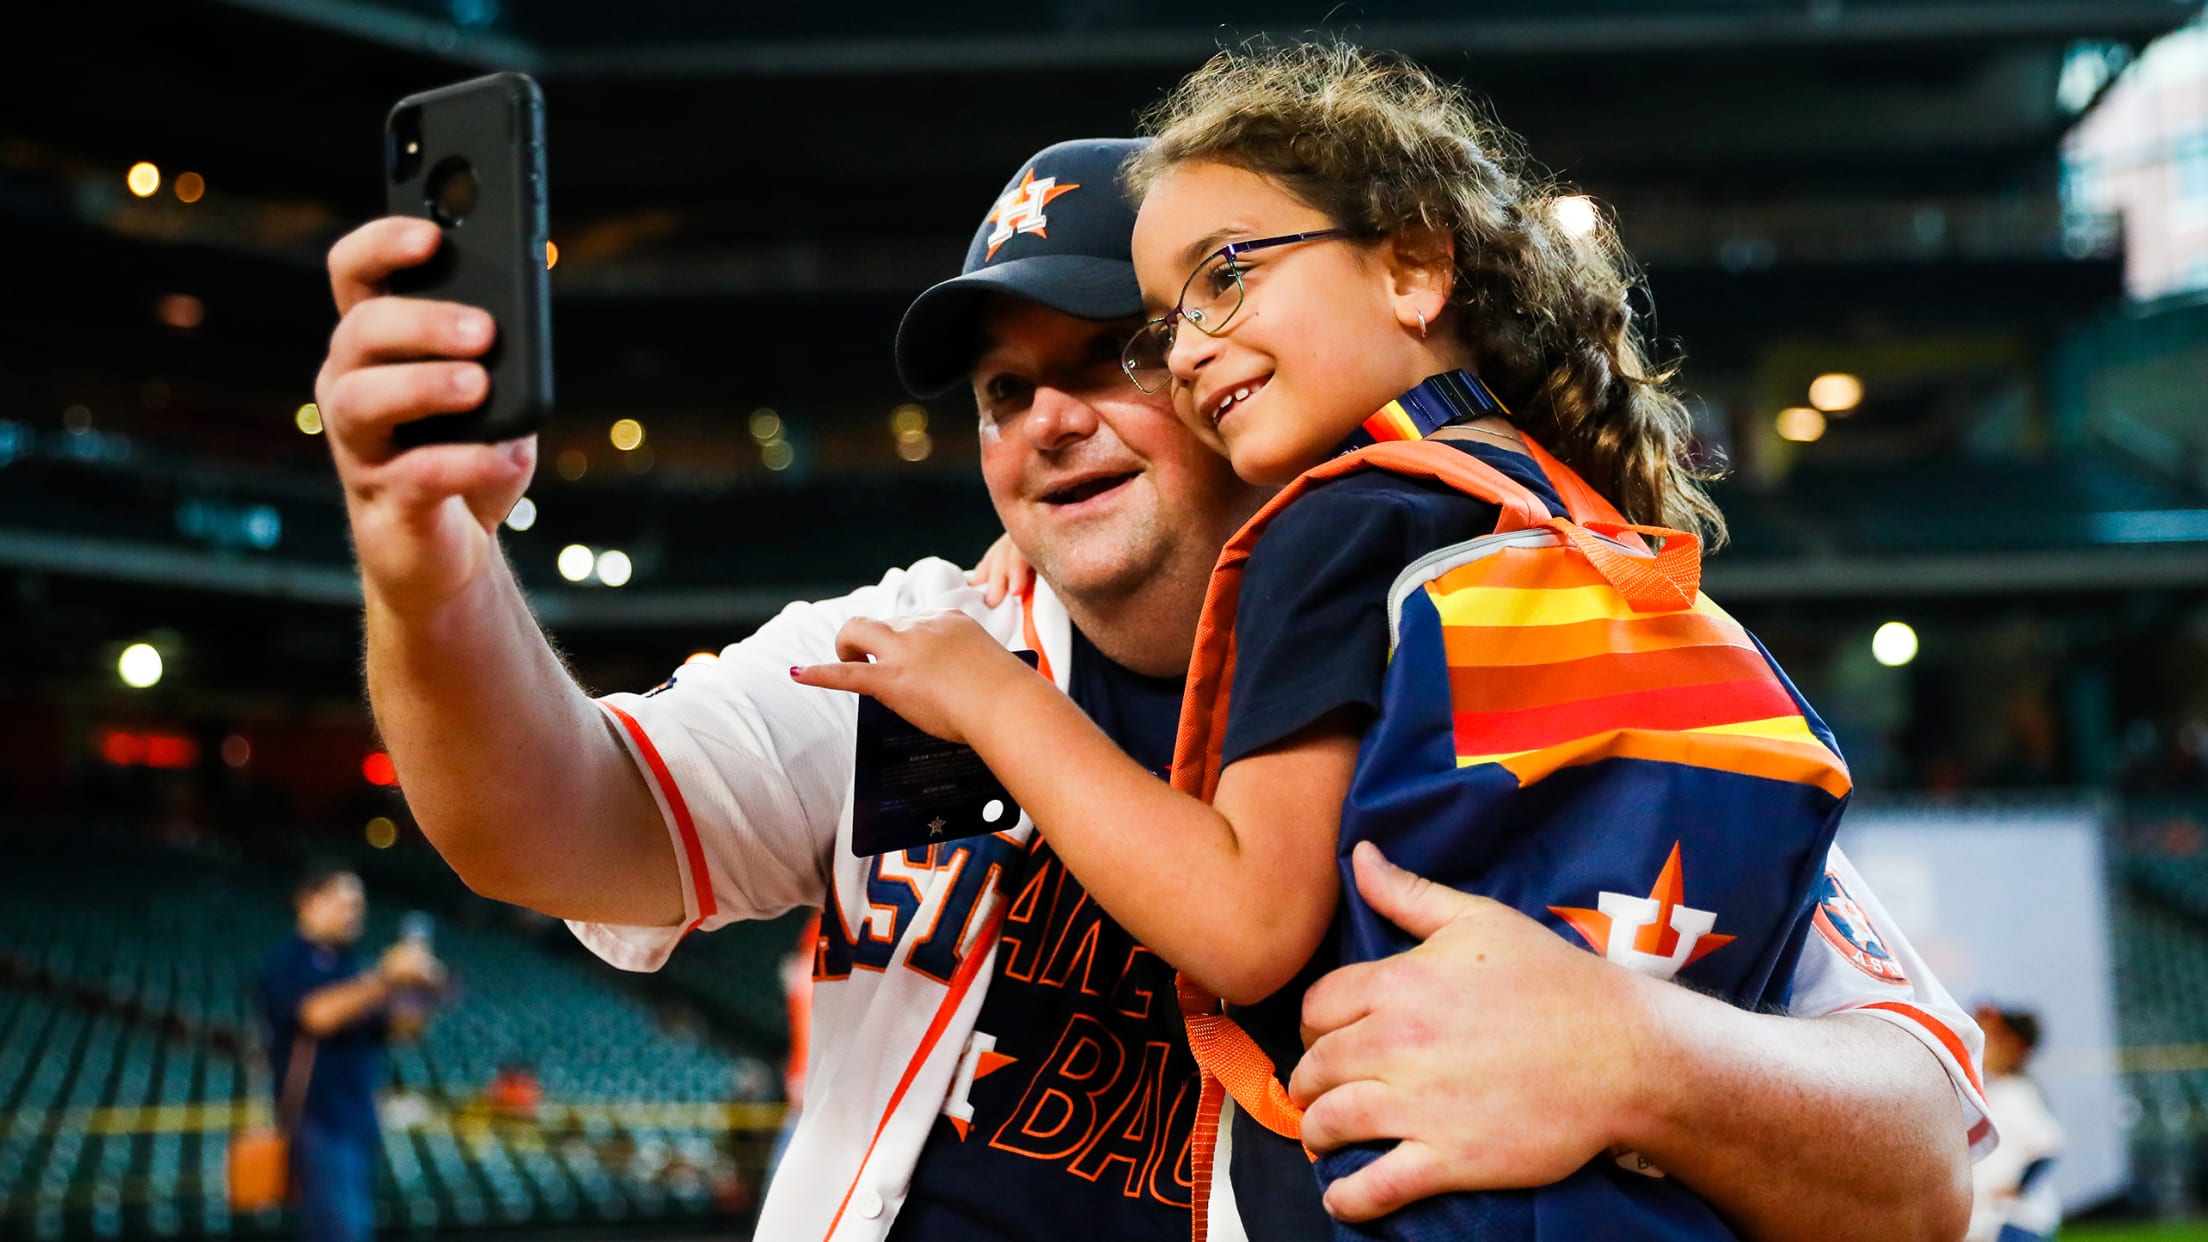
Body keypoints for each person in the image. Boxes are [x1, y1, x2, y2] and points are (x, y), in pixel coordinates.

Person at [312, 133, 1982, 1241]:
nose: (1043, 420)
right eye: (997, 391)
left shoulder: (1504, 637)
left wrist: (1645, 1054)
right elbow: (545, 820)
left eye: (1109, 352)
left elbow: (1918, 1159)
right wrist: (429, 563)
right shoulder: (911, 652)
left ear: (1228, 367)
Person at [789, 44, 1959, 1237]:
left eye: (1224, 278)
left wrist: (990, 694)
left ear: (1414, 267)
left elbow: (1246, 926)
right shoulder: (1582, 535)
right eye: (1164, 324)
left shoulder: (1335, 529)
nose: (1186, 349)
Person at [257, 866, 445, 1242]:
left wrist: (422, 991)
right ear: (309, 902)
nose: (354, 913)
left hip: (359, 1118)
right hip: (317, 1121)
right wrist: (386, 978)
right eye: (344, 903)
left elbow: (402, 1030)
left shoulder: (350, 965)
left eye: (358, 905)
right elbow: (317, 1016)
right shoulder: (289, 959)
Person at [1967, 1006, 2065, 1242]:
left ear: (2013, 1047)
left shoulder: (2018, 1093)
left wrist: (2018, 1188)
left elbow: (2048, 1147)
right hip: (1990, 1221)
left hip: (2014, 1221)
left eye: (1990, 1039)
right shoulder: (1991, 1091)